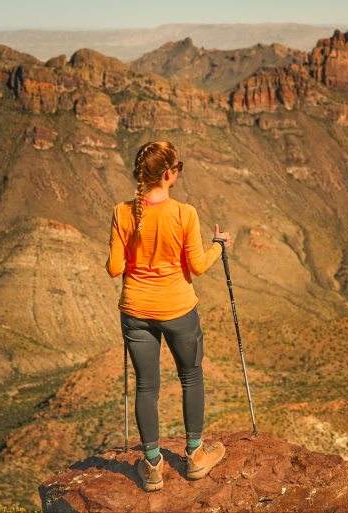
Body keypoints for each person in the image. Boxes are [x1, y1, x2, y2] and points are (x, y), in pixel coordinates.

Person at [105, 140, 232, 492]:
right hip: (178, 310)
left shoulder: (122, 211)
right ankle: (194, 456)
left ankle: (152, 466)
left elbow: (115, 268)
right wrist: (218, 245)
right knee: (191, 376)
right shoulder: (184, 213)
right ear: (168, 174)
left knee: (147, 387)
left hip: (135, 311)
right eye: (178, 168)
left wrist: (134, 257)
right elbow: (197, 267)